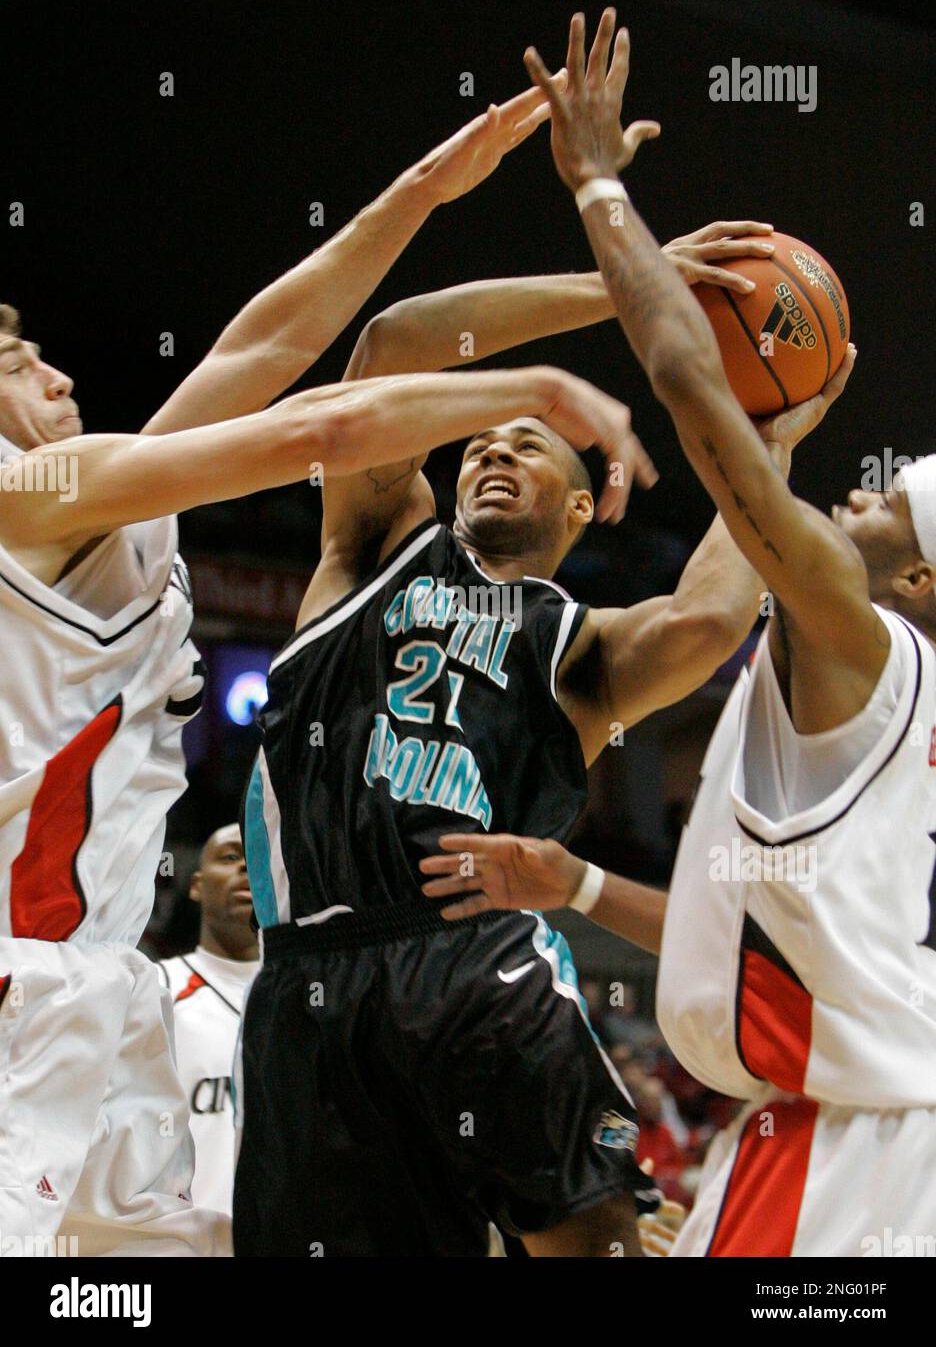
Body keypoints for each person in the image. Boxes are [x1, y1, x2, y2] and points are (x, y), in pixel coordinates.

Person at [0, 82, 619, 1255]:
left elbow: (271, 344)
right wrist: (535, 391)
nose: (62, 381)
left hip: (100, 981)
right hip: (20, 981)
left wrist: (426, 187)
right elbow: (320, 428)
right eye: (26, 365)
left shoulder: (101, 500)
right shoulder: (27, 494)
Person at [232, 93, 833, 1257]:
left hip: (478, 959)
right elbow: (396, 345)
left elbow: (713, 621)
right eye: (483, 439)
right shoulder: (371, 546)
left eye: (530, 442)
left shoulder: (583, 648)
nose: (497, 446)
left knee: (596, 1235)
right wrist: (626, 282)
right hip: (312, 980)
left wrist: (767, 437)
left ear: (579, 502)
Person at [421, 8, 936, 1257]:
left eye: (890, 500)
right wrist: (581, 884)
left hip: (849, 1154)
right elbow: (779, 914)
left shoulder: (869, 655)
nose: (857, 493)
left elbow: (693, 395)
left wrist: (599, 188)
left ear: (922, 572)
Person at [158, 826, 257, 1216]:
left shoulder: (312, 997)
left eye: (259, 857)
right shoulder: (155, 989)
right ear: (196, 885)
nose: (248, 866)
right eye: (231, 857)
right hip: (181, 1239)